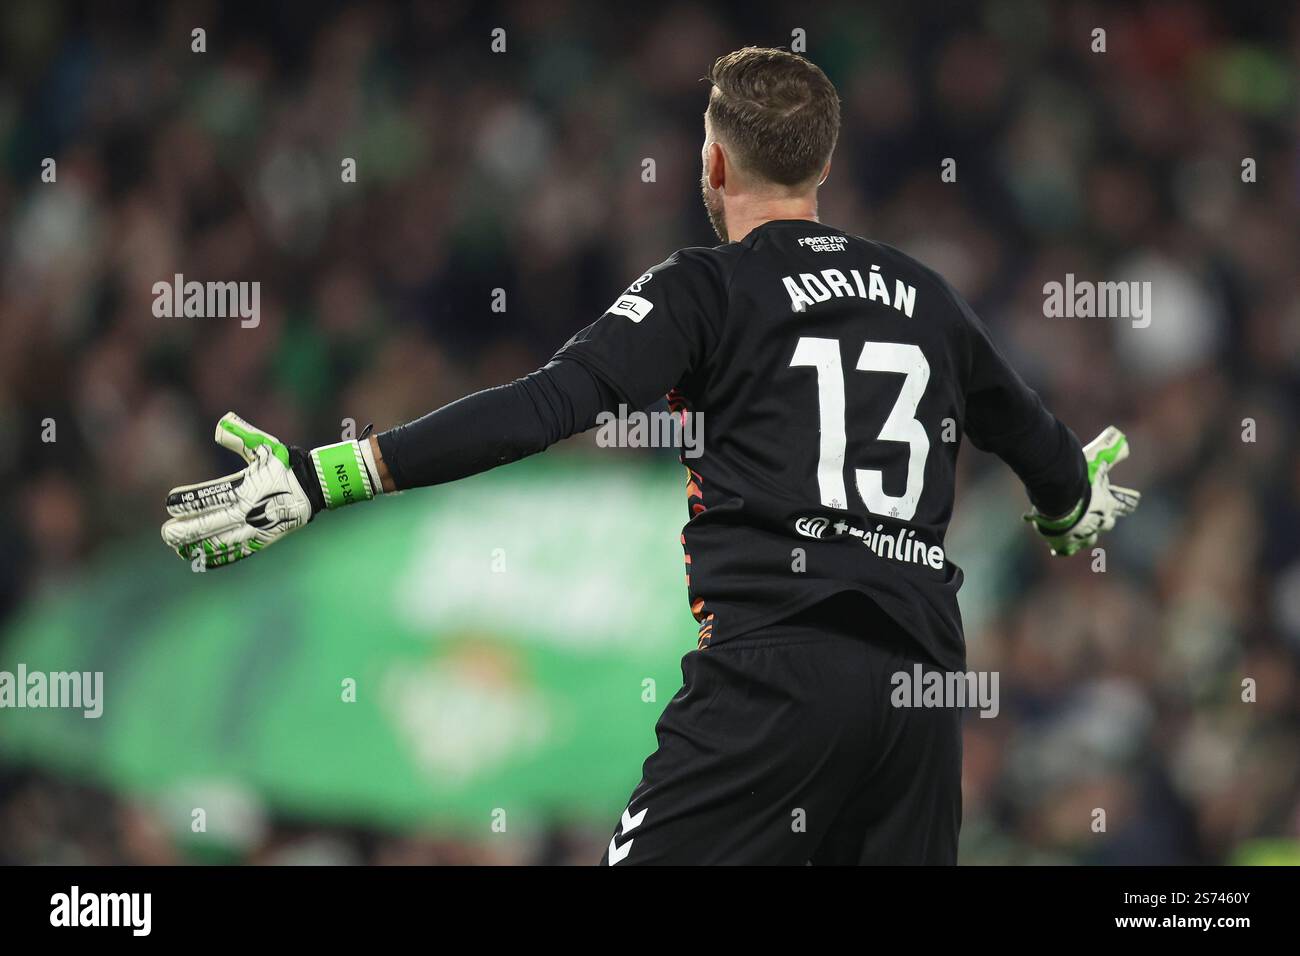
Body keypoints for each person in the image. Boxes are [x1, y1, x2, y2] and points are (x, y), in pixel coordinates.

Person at [161, 47, 1139, 865]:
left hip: (776, 673)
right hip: (918, 697)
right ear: (821, 167)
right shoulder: (925, 294)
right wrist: (1070, 504)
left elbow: (542, 407)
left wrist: (332, 472)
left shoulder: (705, 289)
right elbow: (1048, 458)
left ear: (712, 163)